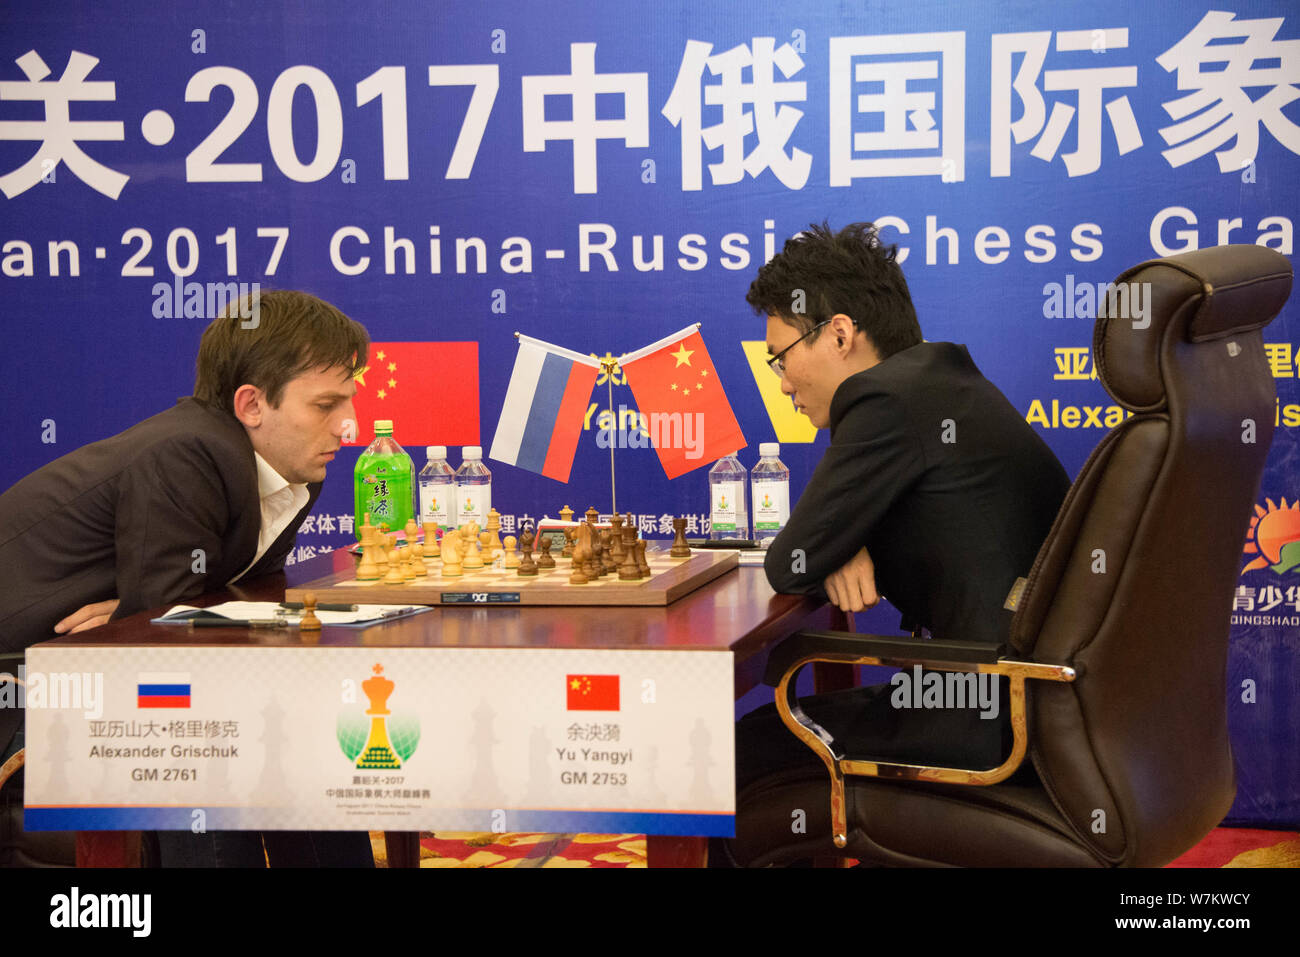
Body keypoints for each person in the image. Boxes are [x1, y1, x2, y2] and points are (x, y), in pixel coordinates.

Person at [0, 288, 374, 867]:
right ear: (251, 405)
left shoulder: (292, 467)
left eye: (348, 402)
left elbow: (228, 599)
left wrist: (145, 608)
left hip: (88, 671)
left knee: (296, 726)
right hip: (26, 690)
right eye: (326, 405)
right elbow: (164, 640)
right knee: (204, 731)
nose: (348, 428)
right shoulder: (190, 451)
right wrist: (150, 612)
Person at [737, 221, 1071, 795]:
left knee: (741, 750)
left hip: (980, 715)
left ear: (839, 335)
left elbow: (790, 563)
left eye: (781, 358)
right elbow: (822, 544)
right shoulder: (938, 380)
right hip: (1028, 701)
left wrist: (835, 542)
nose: (784, 384)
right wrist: (844, 541)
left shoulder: (883, 400)